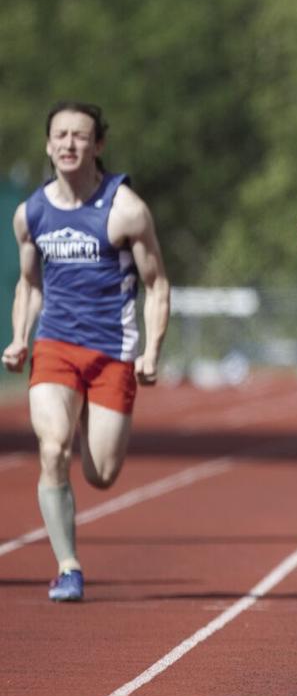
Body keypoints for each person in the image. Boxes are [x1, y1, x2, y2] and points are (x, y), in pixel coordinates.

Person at [3, 101, 171, 602]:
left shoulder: (126, 210)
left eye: (80, 136)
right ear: (48, 144)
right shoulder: (30, 213)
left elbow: (157, 284)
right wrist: (18, 337)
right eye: (60, 135)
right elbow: (29, 285)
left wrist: (153, 351)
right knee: (52, 449)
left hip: (111, 353)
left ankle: (83, 416)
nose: (69, 144)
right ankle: (68, 565)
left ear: (98, 146)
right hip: (54, 345)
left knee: (100, 474)